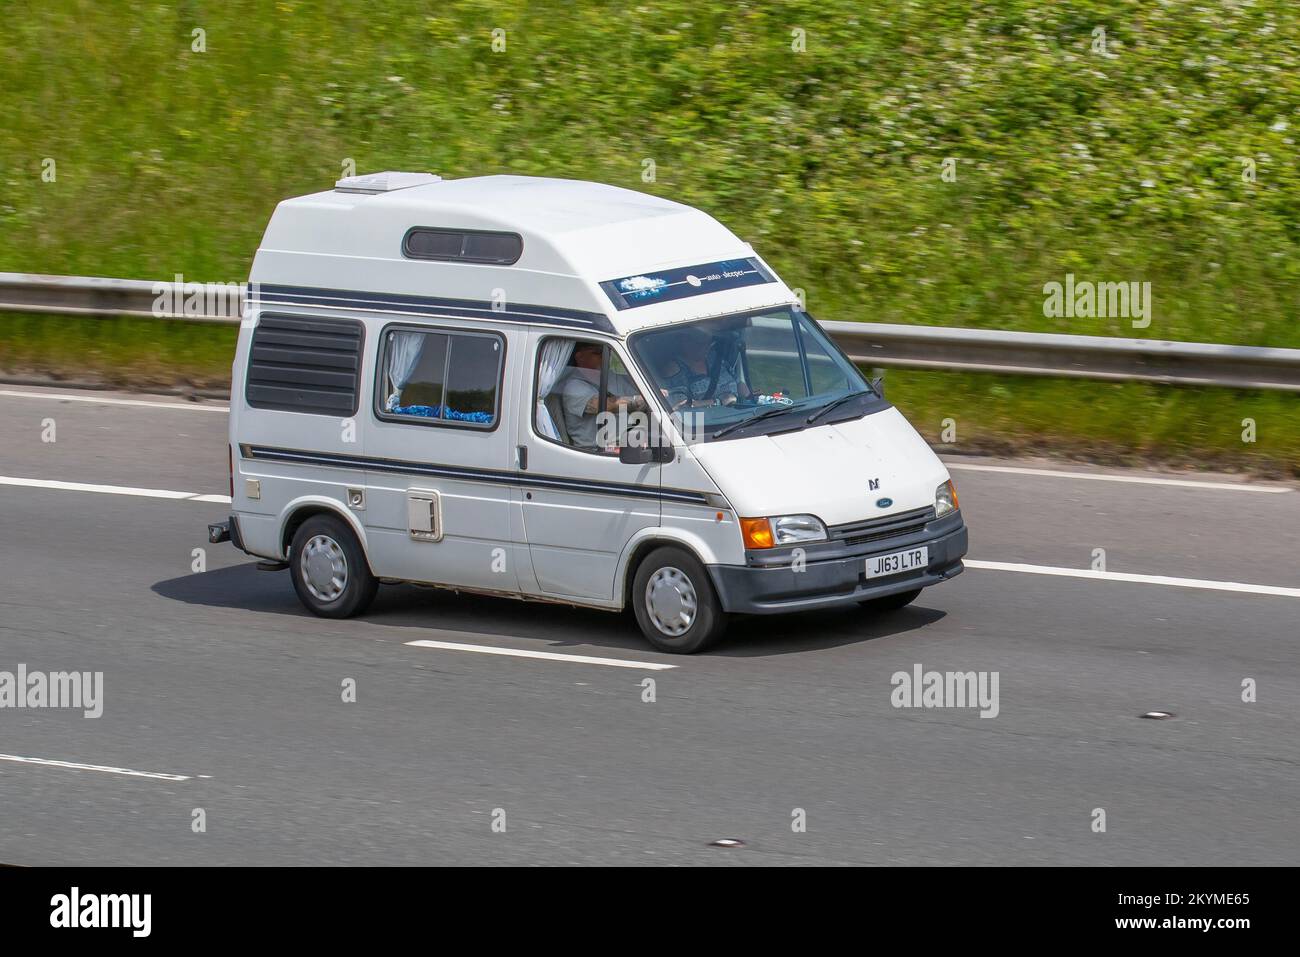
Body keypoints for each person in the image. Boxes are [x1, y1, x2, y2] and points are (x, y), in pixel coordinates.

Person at [560, 342, 646, 450]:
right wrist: (637, 401)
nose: (605, 356)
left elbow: (641, 388)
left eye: (607, 352)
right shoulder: (573, 387)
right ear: (580, 357)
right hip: (596, 452)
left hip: (627, 443)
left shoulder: (609, 376)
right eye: (598, 352)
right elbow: (603, 406)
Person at [659, 327, 747, 410]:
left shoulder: (715, 358)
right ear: (683, 340)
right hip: (708, 422)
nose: (705, 346)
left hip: (739, 415)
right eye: (698, 341)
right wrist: (718, 402)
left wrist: (752, 398)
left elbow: (738, 383)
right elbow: (682, 407)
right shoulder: (674, 369)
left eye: (708, 341)